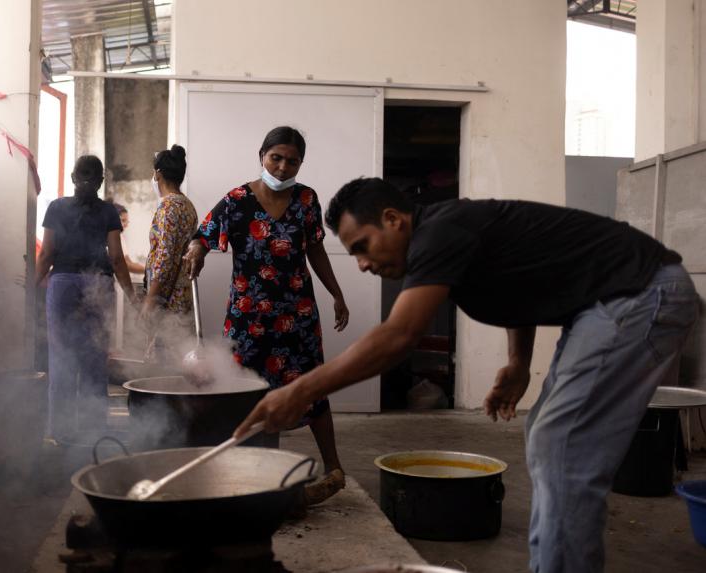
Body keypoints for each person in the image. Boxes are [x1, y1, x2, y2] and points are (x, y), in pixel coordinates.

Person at [235, 177, 699, 573]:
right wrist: (519, 363)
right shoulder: (449, 235)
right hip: (617, 299)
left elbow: (400, 335)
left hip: (641, 294)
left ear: (394, 219)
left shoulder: (439, 233)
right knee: (547, 432)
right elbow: (523, 284)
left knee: (562, 441)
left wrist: (300, 390)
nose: (361, 263)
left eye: (362, 246)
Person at [183, 126, 351, 505]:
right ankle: (263, 474)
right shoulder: (237, 200)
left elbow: (316, 250)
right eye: (275, 157)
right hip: (247, 317)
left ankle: (335, 468)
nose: (281, 166)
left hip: (298, 313)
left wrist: (337, 293)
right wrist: (196, 250)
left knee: (313, 388)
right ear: (262, 156)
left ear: (300, 164)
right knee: (252, 392)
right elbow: (203, 236)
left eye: (291, 160)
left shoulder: (307, 199)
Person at [36, 155, 136, 445]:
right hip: (98, 286)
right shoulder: (108, 212)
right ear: (101, 181)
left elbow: (47, 255)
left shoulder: (56, 208)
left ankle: (62, 432)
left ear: (72, 177)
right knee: (94, 360)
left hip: (63, 285)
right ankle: (94, 432)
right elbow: (116, 258)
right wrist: (131, 297)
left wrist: (31, 287)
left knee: (62, 357)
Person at [140, 145, 199, 361]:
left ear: (158, 174)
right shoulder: (187, 205)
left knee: (163, 363)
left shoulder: (169, 207)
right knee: (179, 358)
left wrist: (151, 299)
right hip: (181, 294)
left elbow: (165, 257)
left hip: (167, 299)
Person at [112, 203, 146, 275]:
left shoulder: (120, 236)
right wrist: (150, 271)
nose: (126, 225)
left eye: (127, 221)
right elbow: (125, 265)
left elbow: (128, 261)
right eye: (123, 220)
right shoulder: (110, 237)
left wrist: (148, 268)